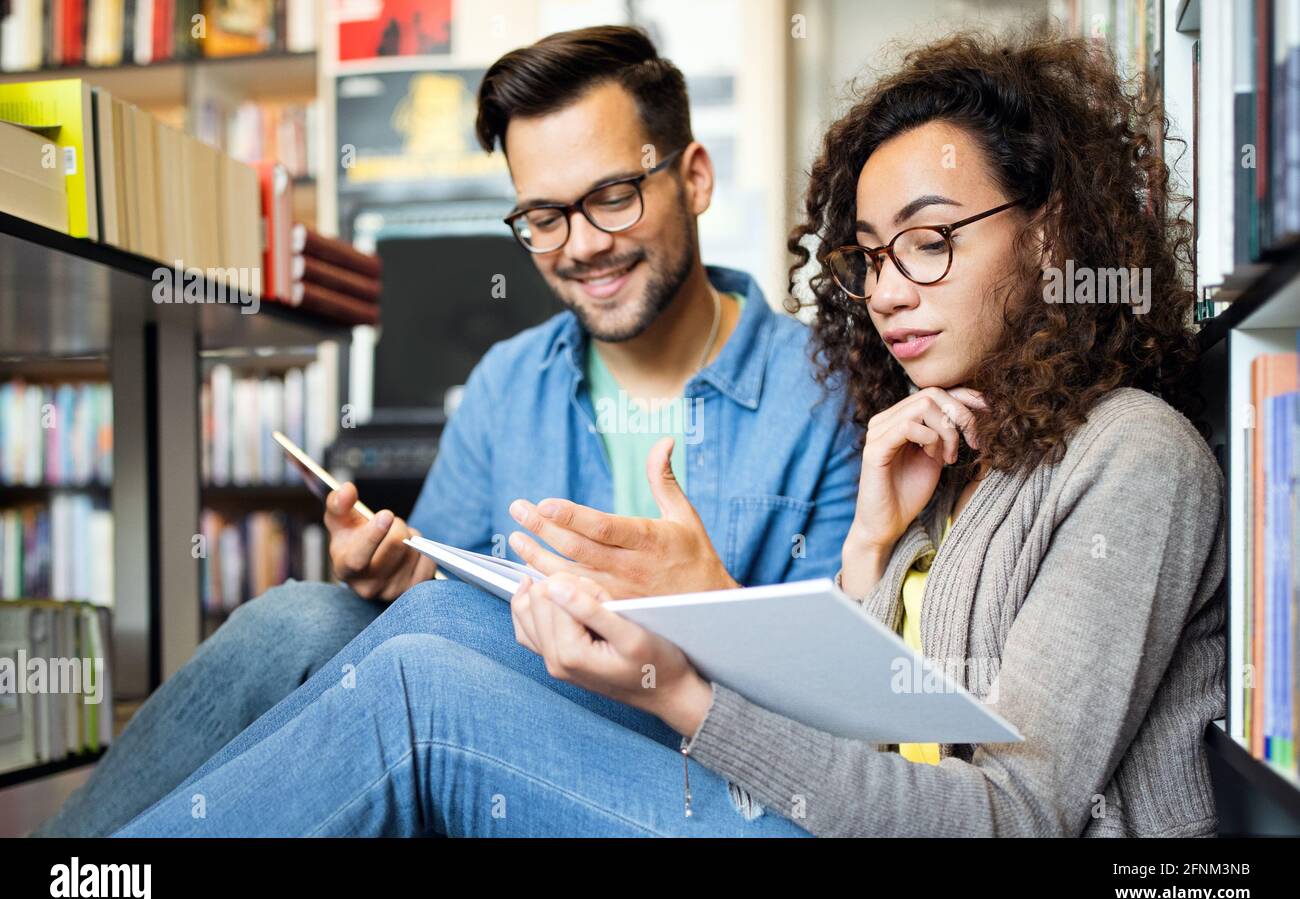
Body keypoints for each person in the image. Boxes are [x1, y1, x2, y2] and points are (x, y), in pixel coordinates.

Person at [114, 26, 1226, 838]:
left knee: (418, 688)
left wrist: (684, 662)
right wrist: (867, 551)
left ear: (1051, 237)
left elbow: (1000, 811)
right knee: (319, 621)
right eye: (871, 257)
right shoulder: (937, 452)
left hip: (765, 780)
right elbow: (868, 729)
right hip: (793, 783)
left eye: (929, 241)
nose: (890, 291)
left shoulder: (1128, 455)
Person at [34, 26, 861, 837]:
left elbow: (835, 711)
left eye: (613, 196)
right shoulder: (508, 379)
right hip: (513, 701)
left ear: (695, 178)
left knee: (414, 672)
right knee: (298, 621)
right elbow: (433, 600)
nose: (582, 246)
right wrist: (395, 569)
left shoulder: (824, 388)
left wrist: (708, 604)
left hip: (694, 754)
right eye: (543, 216)